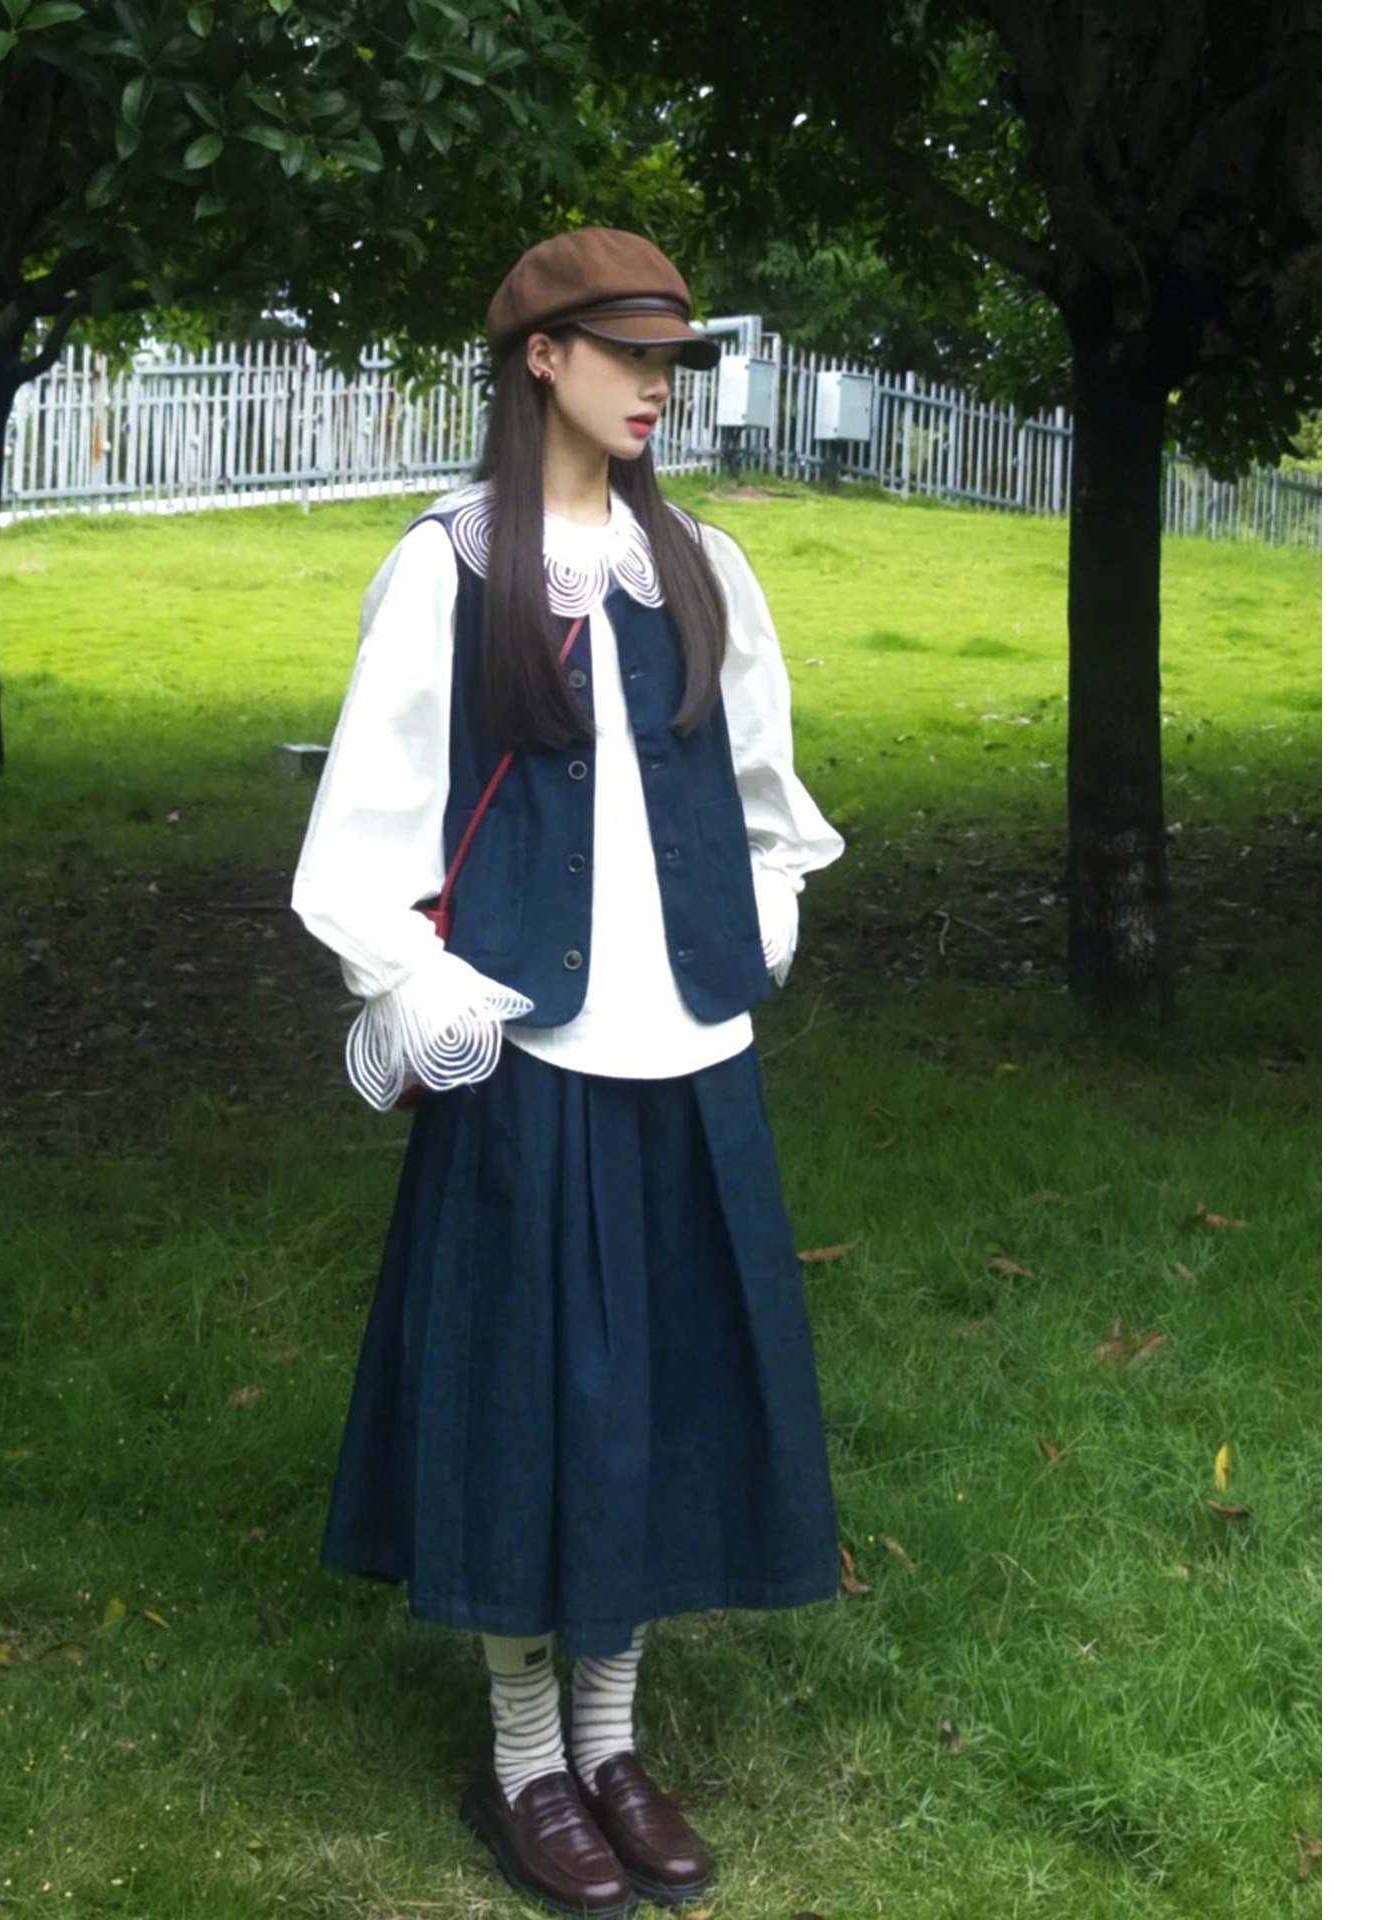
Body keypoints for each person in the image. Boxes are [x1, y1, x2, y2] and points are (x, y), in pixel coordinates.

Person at [292, 228, 843, 1918]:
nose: (658, 383)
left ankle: (613, 1743)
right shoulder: (451, 570)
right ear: (543, 358)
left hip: (688, 1052)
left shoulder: (703, 566)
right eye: (627, 353)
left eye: (672, 355)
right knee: (529, 1398)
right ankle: (525, 1754)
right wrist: (431, 986)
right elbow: (359, 836)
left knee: (655, 1392)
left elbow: (768, 799)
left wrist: (752, 922)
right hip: (531, 1050)